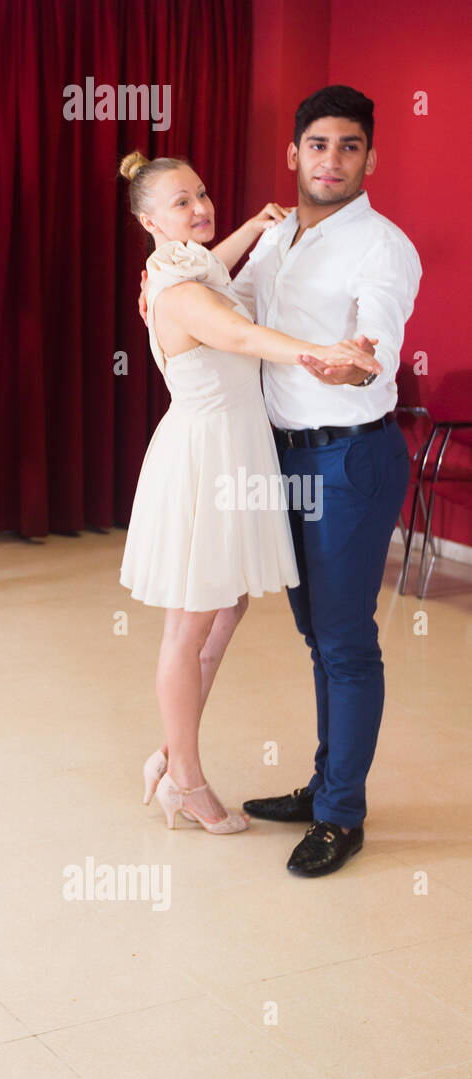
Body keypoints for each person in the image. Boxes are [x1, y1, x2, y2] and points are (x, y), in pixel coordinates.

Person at [120, 149, 381, 834]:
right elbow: (238, 331)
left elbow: (213, 266)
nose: (200, 207)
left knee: (227, 603)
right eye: (181, 202)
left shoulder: (188, 266)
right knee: (189, 623)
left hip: (233, 449)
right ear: (149, 221)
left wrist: (252, 227)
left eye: (201, 193)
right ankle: (185, 779)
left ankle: (170, 753)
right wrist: (319, 354)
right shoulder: (178, 291)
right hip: (205, 456)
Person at [231, 87, 421, 876]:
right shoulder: (278, 237)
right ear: (294, 153)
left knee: (345, 641)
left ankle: (342, 814)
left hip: (350, 458)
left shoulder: (383, 245)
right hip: (285, 456)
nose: (332, 159)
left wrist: (358, 365)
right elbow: (232, 310)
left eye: (349, 146)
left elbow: (378, 334)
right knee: (316, 633)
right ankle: (324, 784)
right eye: (318, 144)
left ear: (371, 157)